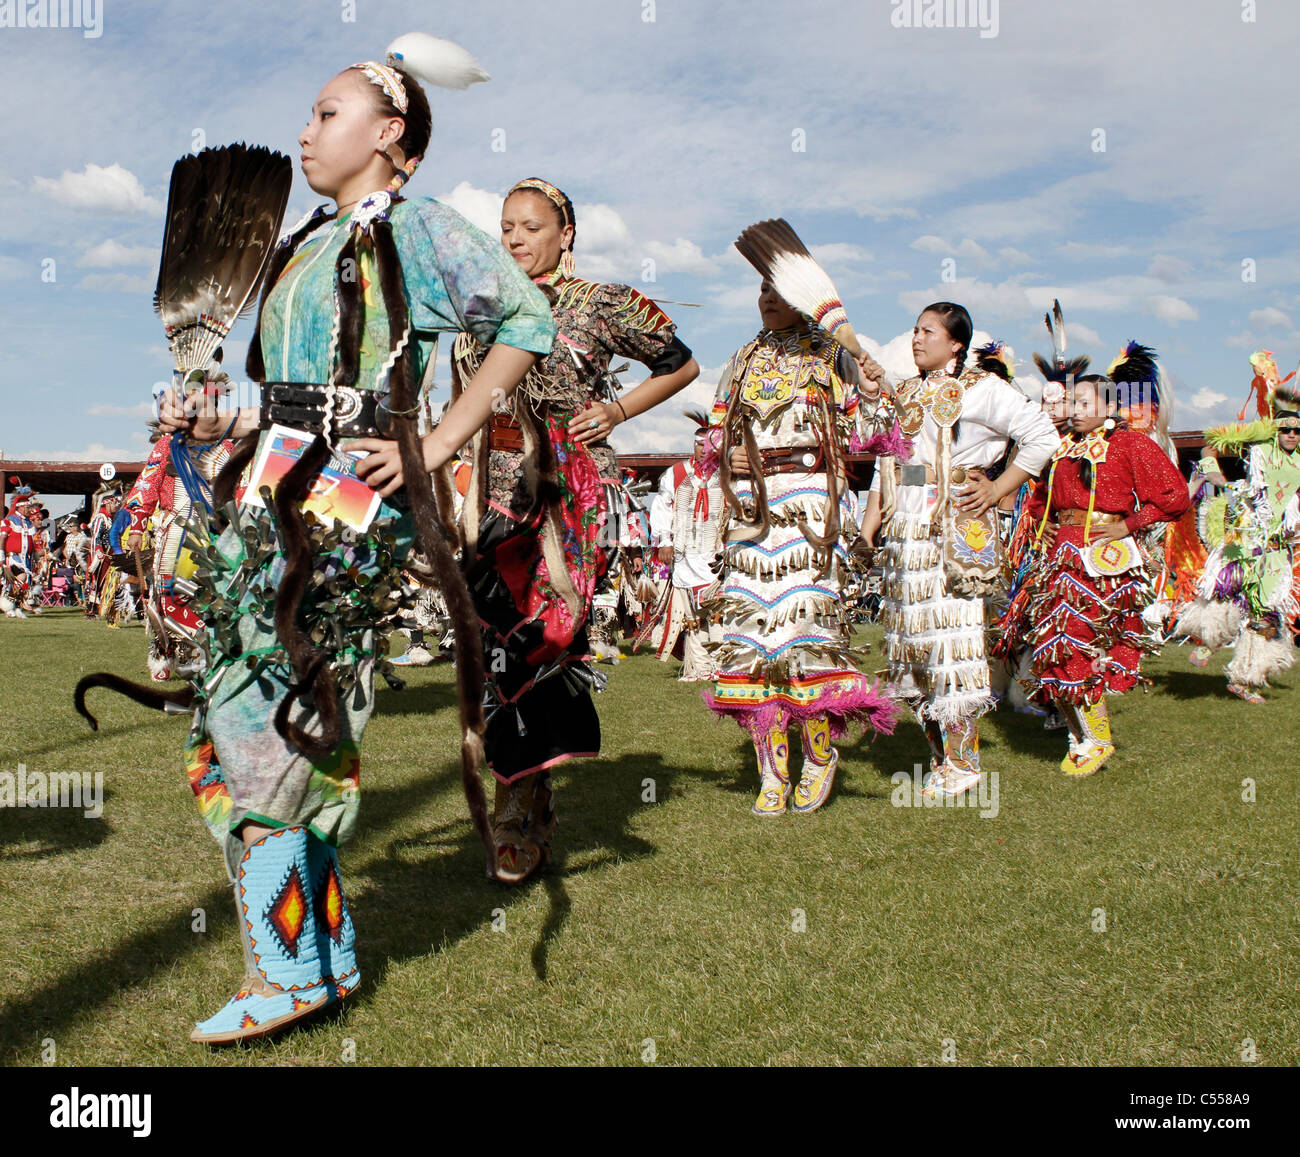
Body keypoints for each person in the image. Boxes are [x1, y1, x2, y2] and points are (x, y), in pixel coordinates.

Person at [153, 39, 556, 1044]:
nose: (304, 130)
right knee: (257, 693)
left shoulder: (413, 228)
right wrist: (220, 426)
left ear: (393, 138)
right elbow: (290, 388)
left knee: (274, 703)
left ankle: (285, 970)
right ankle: (320, 958)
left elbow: (522, 316)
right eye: (308, 112)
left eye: (328, 112)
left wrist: (430, 440)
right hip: (273, 478)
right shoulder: (298, 245)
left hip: (342, 486)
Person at [450, 176, 699, 884]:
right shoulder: (481, 314)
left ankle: (527, 802)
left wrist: (617, 413)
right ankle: (516, 803)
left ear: (566, 232)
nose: (517, 239)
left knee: (551, 638)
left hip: (571, 495)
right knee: (499, 641)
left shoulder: (603, 304)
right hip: (493, 495)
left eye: (531, 226)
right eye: (506, 229)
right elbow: (462, 403)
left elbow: (681, 363)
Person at [704, 279, 898, 816]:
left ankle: (817, 755)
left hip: (812, 504)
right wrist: (726, 458)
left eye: (778, 293)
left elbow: (877, 434)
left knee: (805, 633)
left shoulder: (834, 353)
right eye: (761, 292)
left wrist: (877, 386)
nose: (766, 300)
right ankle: (771, 771)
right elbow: (714, 434)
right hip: (751, 505)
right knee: (751, 636)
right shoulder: (742, 359)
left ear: (804, 300)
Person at [859, 302, 1060, 799]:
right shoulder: (907, 393)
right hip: (908, 533)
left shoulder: (983, 389)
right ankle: (940, 758)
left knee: (955, 644)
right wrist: (876, 511)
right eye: (914, 330)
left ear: (955, 343)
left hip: (955, 532)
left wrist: (998, 487)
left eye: (928, 331)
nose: (916, 338)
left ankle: (964, 763)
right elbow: (885, 452)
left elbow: (1042, 436)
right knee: (915, 646)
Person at [1021, 374, 1190, 774]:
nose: (1075, 411)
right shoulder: (1065, 447)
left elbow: (1174, 495)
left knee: (1081, 645)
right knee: (1053, 646)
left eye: (1083, 403)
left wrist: (1129, 524)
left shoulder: (1129, 443)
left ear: (1108, 407)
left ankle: (1098, 738)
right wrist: (1041, 526)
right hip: (1060, 558)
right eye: (1071, 403)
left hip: (1101, 558)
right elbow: (1043, 498)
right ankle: (1078, 736)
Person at [1173, 382, 1300, 701]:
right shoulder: (1258, 451)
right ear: (1276, 430)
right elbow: (1208, 448)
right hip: (1245, 539)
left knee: (1266, 611)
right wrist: (1218, 479)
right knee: (1224, 594)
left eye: (1297, 432)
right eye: (1286, 430)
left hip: (1276, 549)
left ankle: (1244, 677)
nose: (1291, 436)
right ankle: (1208, 640)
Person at [645, 413, 725, 680]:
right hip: (685, 551)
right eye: (699, 443)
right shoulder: (677, 473)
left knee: (717, 611)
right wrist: (664, 541)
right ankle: (699, 666)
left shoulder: (726, 472)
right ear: (694, 445)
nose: (704, 449)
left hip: (717, 550)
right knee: (692, 612)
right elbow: (661, 507)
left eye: (709, 444)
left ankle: (721, 666)